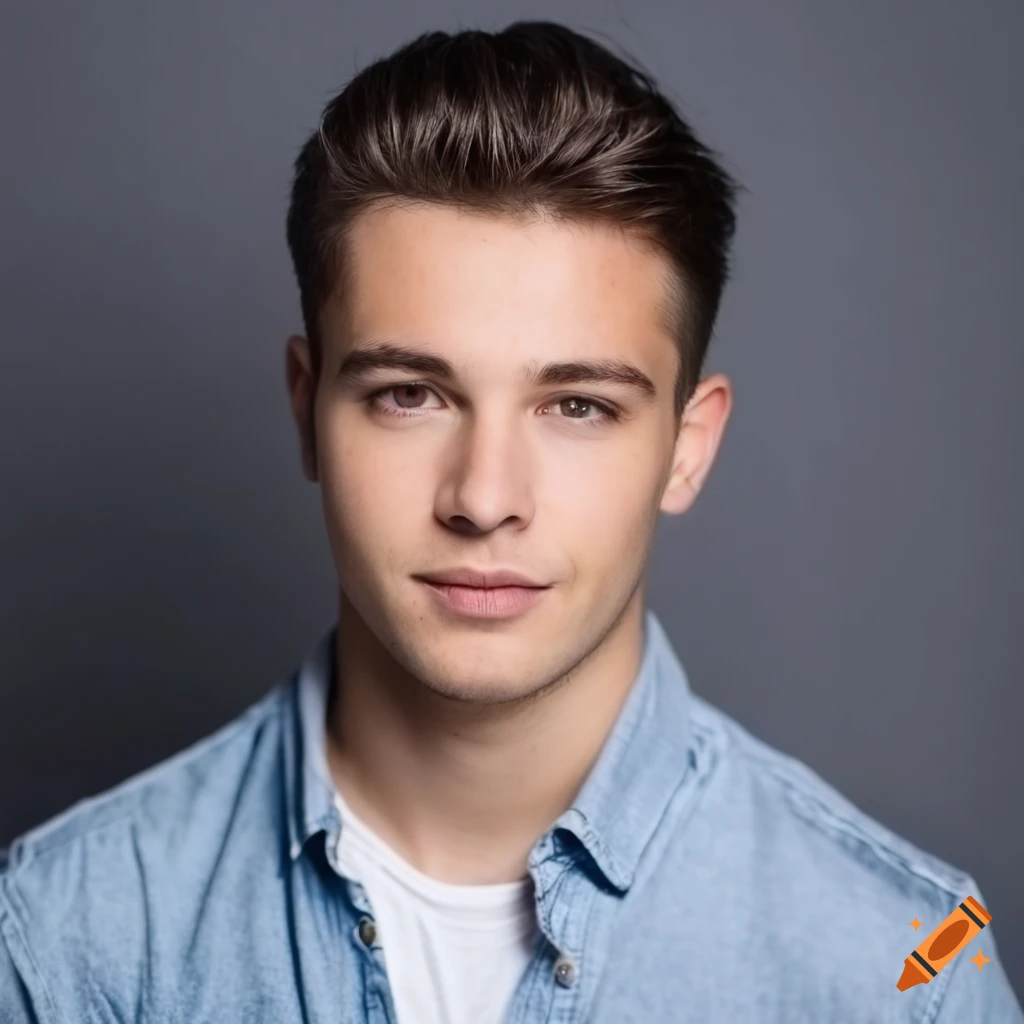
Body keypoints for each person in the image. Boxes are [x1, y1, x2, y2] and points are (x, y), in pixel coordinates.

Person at [1, 20, 1019, 1024]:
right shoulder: (62, 941)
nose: (484, 499)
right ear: (307, 408)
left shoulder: (899, 973)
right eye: (409, 394)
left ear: (687, 445)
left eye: (578, 406)